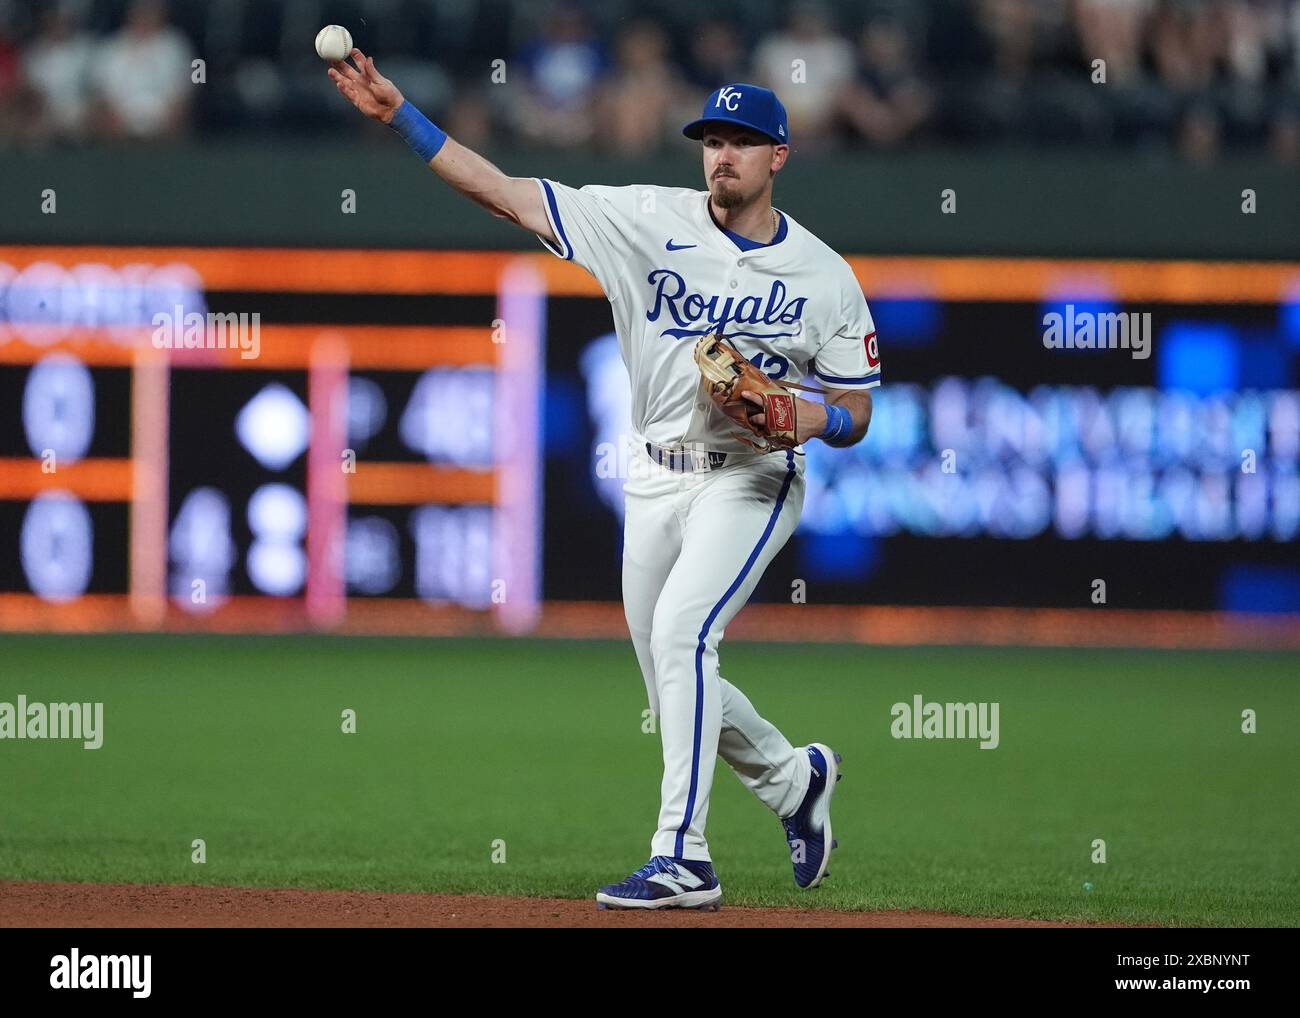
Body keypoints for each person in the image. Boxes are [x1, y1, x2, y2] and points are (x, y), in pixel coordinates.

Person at [329, 51, 879, 911]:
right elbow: (504, 191)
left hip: (752, 476)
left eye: (742, 142)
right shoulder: (642, 220)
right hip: (651, 476)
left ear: (780, 156)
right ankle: (793, 780)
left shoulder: (825, 275)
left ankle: (683, 858)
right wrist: (403, 115)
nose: (722, 155)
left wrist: (802, 416)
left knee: (684, 639)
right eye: (712, 140)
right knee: (670, 673)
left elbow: (856, 409)